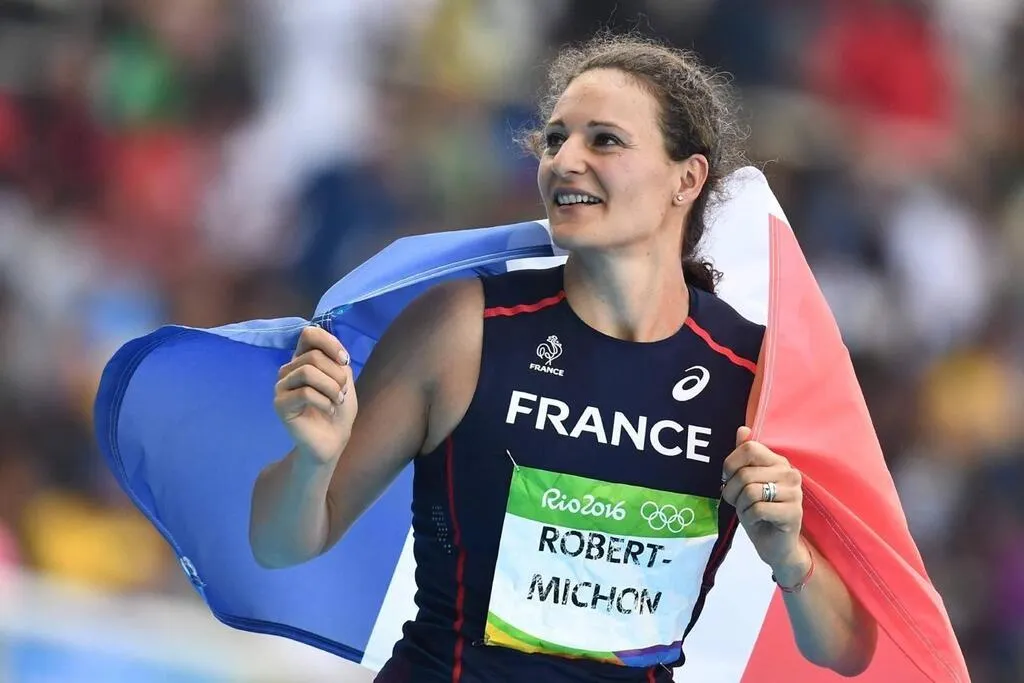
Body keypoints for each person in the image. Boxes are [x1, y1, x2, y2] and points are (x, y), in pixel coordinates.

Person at [249, 33, 879, 682]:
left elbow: (850, 648)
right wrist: (312, 464)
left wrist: (788, 555)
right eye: (555, 140)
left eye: (603, 140)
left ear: (686, 179)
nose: (563, 161)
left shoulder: (751, 373)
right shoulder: (462, 327)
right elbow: (279, 544)